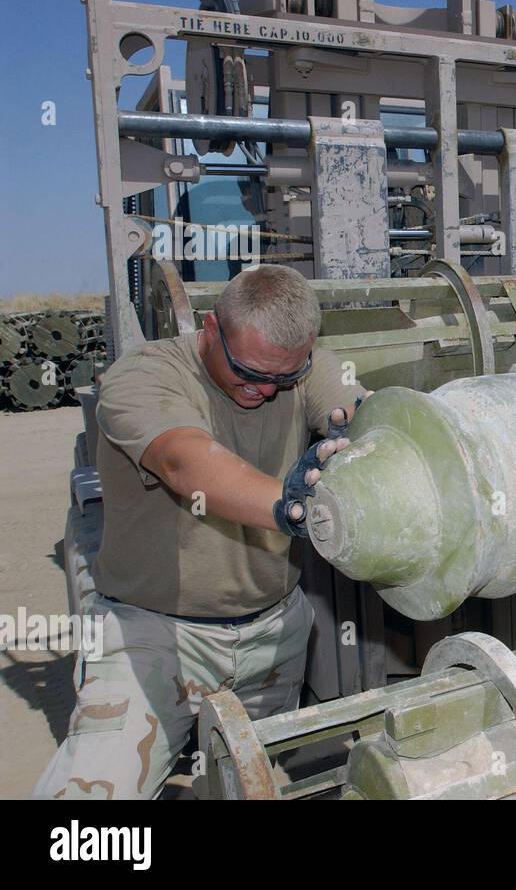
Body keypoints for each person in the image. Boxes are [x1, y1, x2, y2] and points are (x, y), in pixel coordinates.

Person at [33, 265, 367, 799]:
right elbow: (183, 460)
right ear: (210, 328)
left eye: (282, 378)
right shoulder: (144, 376)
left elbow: (353, 410)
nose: (263, 390)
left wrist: (367, 430)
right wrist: (289, 507)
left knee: (257, 781)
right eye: (248, 372)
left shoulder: (299, 368)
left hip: (273, 634)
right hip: (151, 635)